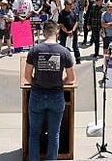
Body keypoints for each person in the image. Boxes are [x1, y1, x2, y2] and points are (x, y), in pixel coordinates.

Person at [22, 20, 75, 161]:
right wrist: (60, 83)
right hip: (57, 96)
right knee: (54, 134)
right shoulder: (64, 52)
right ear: (57, 32)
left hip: (37, 94)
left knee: (34, 134)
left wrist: (37, 83)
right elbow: (71, 78)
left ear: (44, 32)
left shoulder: (34, 50)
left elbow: (27, 76)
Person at [56, 0, 81, 64]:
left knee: (75, 46)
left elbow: (77, 22)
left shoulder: (73, 12)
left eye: (71, 4)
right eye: (69, 4)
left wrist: (72, 30)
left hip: (73, 32)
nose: (71, 5)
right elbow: (61, 25)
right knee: (62, 47)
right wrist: (67, 32)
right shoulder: (61, 13)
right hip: (64, 33)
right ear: (66, 5)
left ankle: (78, 60)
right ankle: (61, 61)